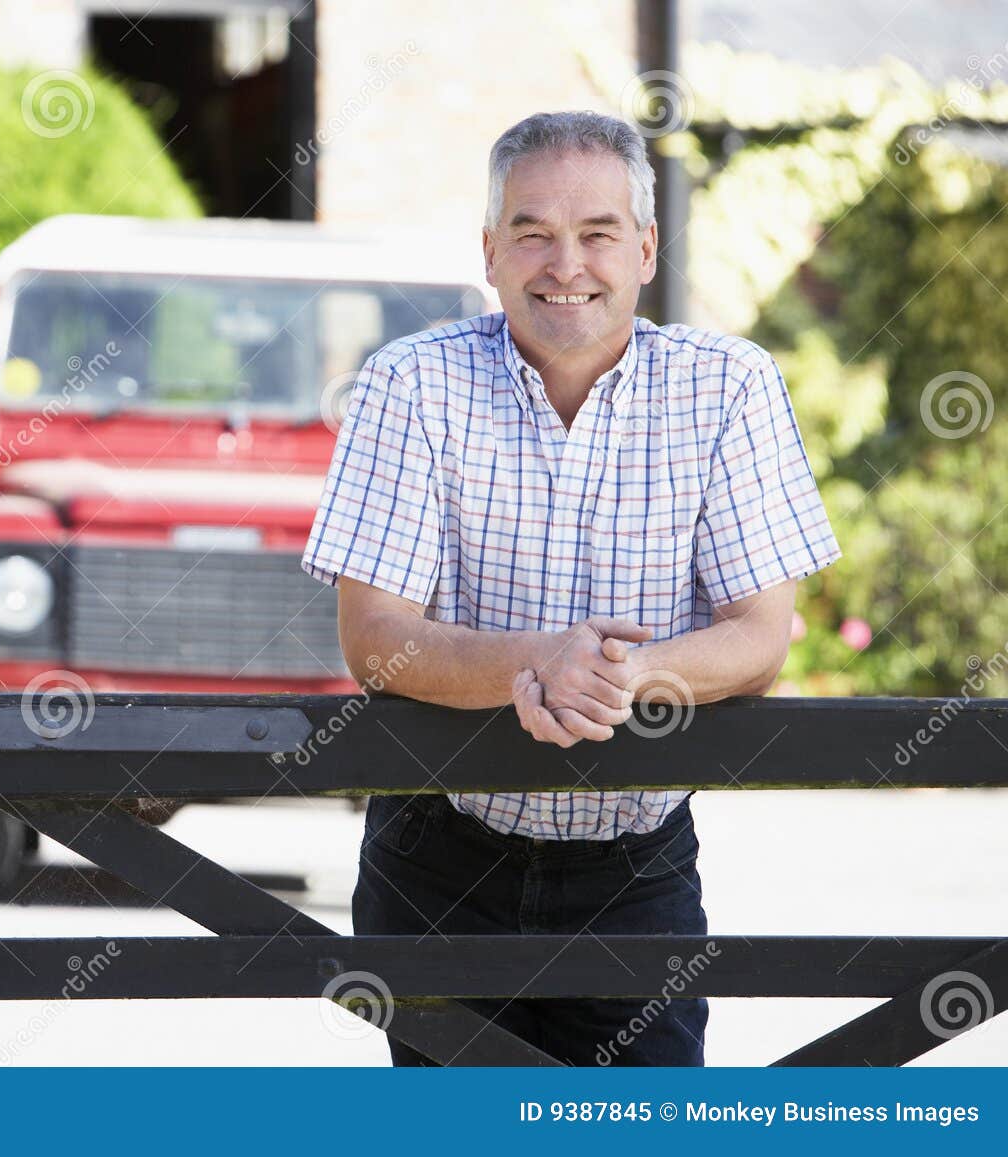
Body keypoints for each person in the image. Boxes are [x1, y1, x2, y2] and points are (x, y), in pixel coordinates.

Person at [299, 110, 841, 1066]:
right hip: (440, 857)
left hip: (635, 863)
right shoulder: (408, 385)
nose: (566, 263)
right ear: (490, 252)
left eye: (596, 233)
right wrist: (538, 660)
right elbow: (373, 639)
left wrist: (616, 677)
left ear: (644, 248)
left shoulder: (732, 386)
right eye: (532, 233)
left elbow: (761, 632)